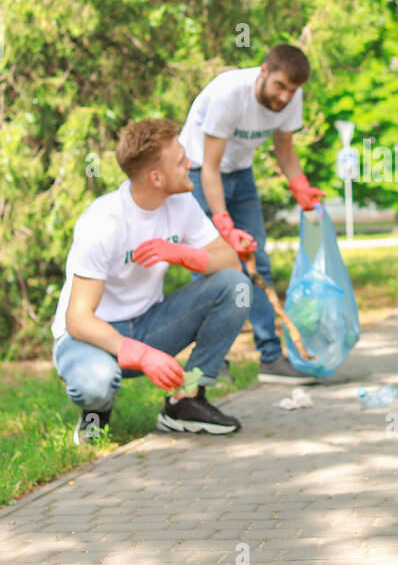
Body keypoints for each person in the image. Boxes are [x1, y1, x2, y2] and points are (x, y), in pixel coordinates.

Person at [51, 119, 252, 441]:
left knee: (236, 289)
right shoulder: (103, 222)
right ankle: (96, 412)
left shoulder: (181, 203)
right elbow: (77, 319)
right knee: (96, 384)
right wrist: (143, 355)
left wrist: (181, 254)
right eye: (181, 161)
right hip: (92, 338)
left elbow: (232, 264)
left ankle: (185, 400)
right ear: (155, 177)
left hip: (148, 324)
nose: (191, 164)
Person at [179, 44, 325, 386]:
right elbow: (212, 167)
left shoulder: (291, 96)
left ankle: (271, 357)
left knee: (257, 261)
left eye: (292, 90)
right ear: (263, 71)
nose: (285, 97)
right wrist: (223, 223)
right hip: (200, 173)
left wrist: (299, 186)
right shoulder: (228, 95)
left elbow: (284, 147)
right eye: (280, 87)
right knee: (211, 264)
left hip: (240, 174)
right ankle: (207, 362)